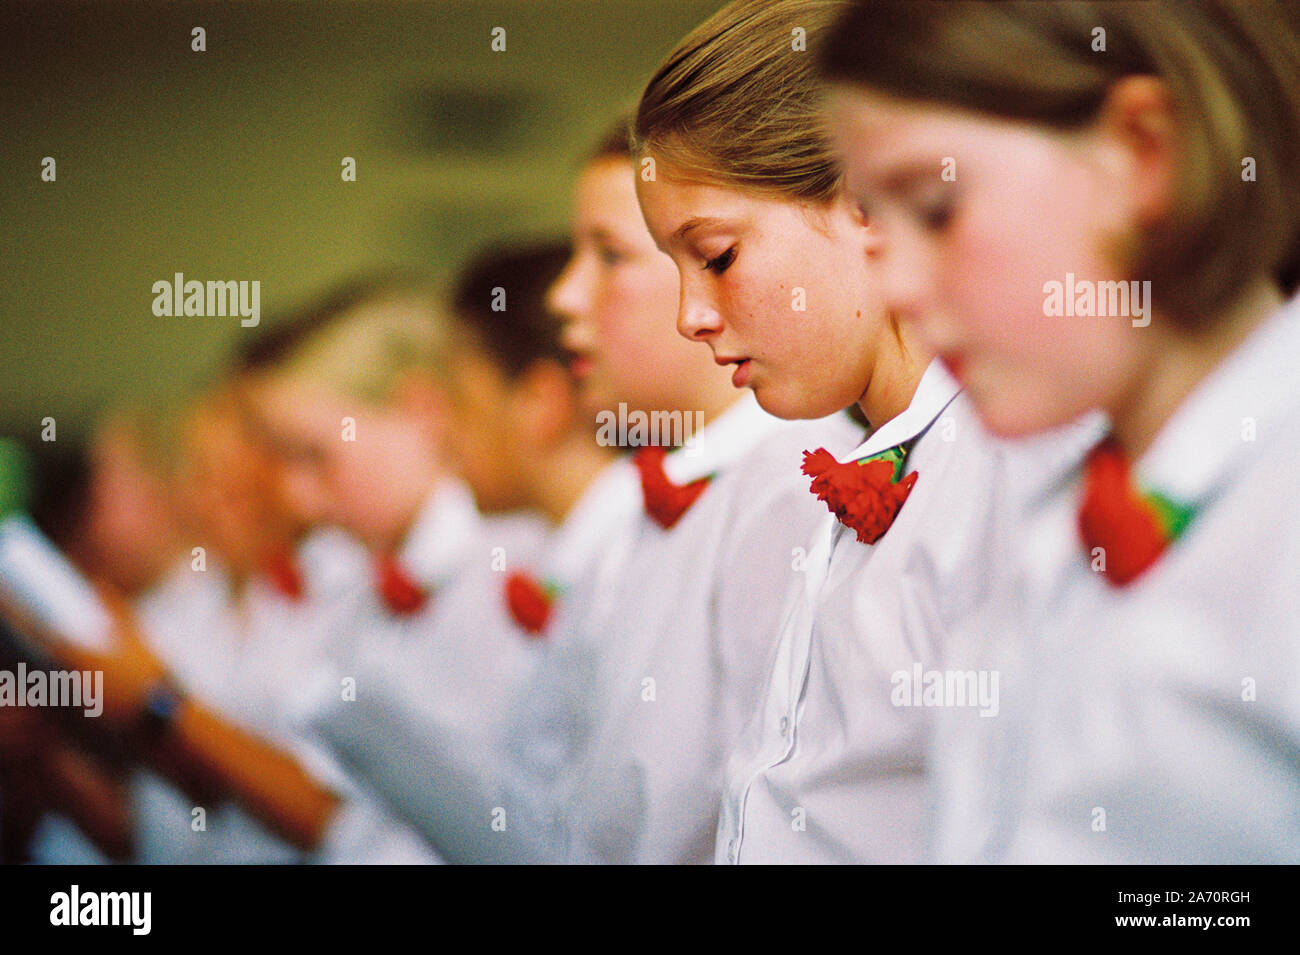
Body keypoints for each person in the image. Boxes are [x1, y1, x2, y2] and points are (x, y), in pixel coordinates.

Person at [819, 0, 1300, 862]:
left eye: (933, 207)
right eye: (874, 223)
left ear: (1145, 152)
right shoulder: (1055, 504)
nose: (893, 289)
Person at [633, 0, 1090, 863]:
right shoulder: (858, 466)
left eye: (718, 255)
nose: (691, 316)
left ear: (869, 204)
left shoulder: (1010, 464)